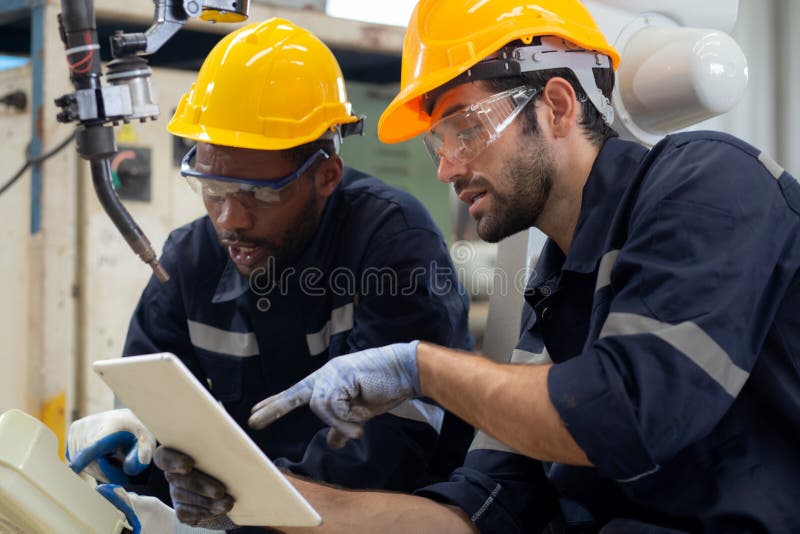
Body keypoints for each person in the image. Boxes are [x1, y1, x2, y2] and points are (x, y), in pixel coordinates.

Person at [135, 0, 800, 532]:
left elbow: (623, 414)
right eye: (437, 142)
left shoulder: (710, 180)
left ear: (560, 105)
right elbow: (479, 511)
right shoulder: (557, 288)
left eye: (464, 129)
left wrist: (421, 366)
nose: (447, 168)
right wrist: (259, 499)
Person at [66, 16, 476, 530]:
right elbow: (151, 417)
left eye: (259, 195)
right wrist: (146, 464)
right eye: (214, 190)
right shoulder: (189, 261)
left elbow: (396, 445)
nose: (229, 220)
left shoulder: (389, 240)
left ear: (326, 175)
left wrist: (248, 507)